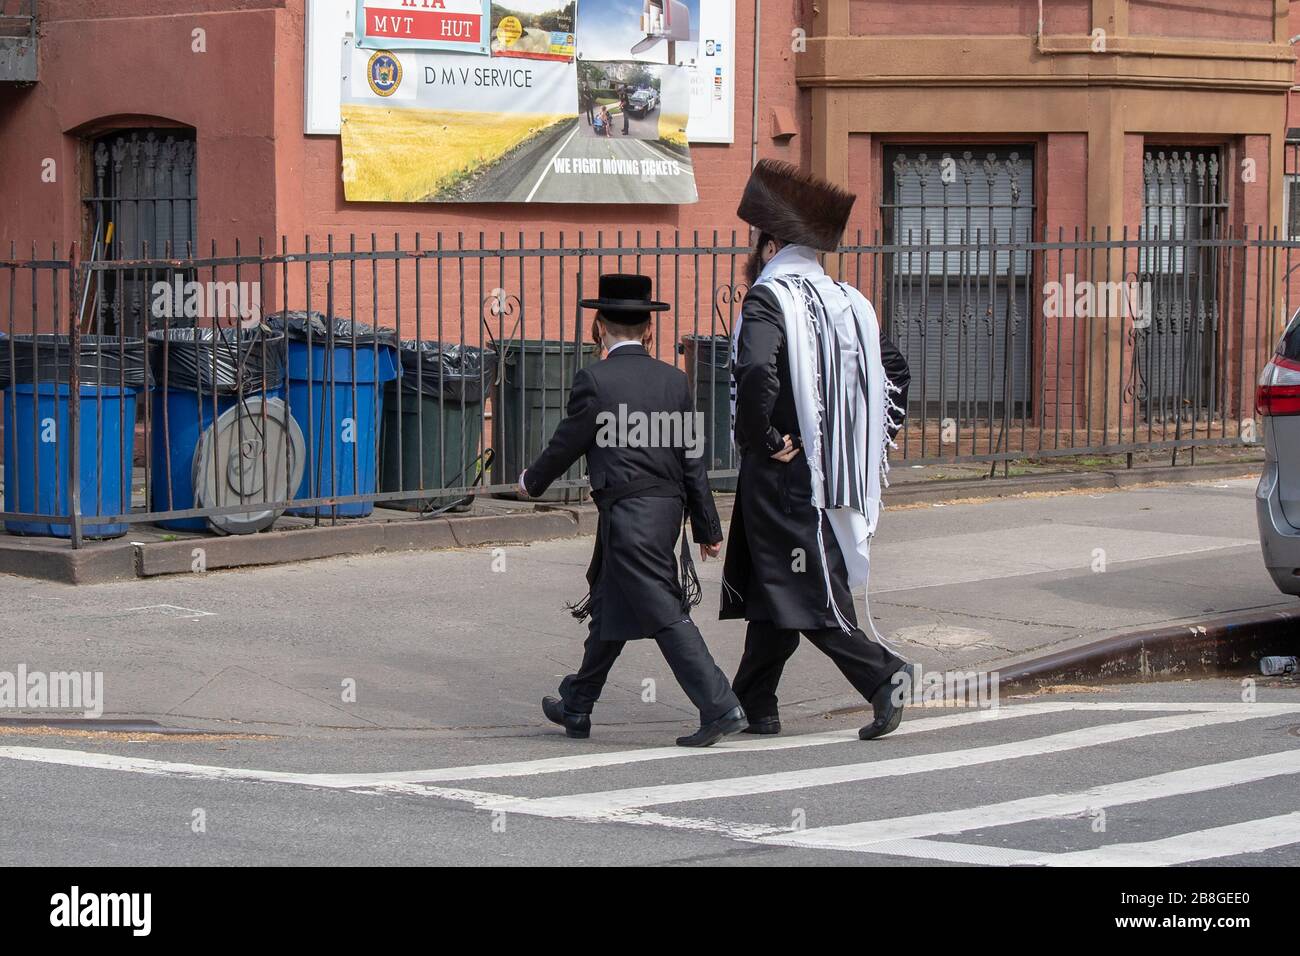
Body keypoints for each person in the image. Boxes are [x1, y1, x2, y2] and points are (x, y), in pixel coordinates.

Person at [721, 159, 913, 741]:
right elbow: (894, 371)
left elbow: (755, 371)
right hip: (832, 466)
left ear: (773, 243)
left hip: (784, 472)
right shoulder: (848, 301)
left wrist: (769, 439)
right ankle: (754, 701)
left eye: (759, 244)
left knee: (806, 588)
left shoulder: (768, 299)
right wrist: (860, 437)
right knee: (773, 584)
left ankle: (885, 677)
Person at [520, 273, 748, 748]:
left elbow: (568, 441)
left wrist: (531, 481)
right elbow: (692, 458)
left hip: (628, 517)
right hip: (664, 513)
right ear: (649, 330)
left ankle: (720, 704)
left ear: (597, 327)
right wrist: (708, 525)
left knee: (662, 609)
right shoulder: (673, 380)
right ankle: (577, 705)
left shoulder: (595, 380)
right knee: (609, 605)